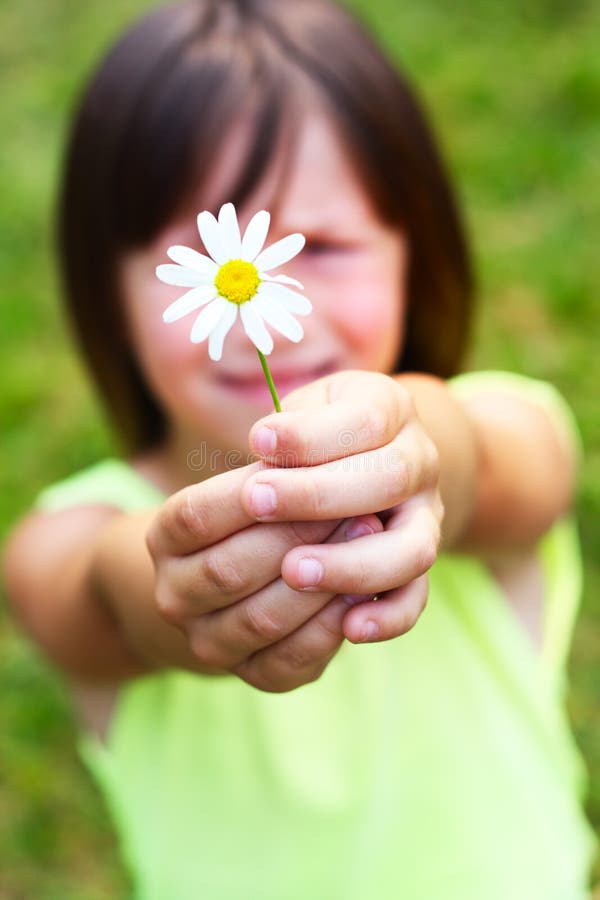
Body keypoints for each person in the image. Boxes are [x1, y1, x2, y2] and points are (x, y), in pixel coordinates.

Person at [2, 0, 596, 897]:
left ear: (414, 252)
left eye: (321, 244)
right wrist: (184, 585)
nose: (272, 304)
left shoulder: (491, 433)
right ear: (109, 295)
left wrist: (418, 447)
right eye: (200, 255)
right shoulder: (69, 538)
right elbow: (102, 593)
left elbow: (510, 461)